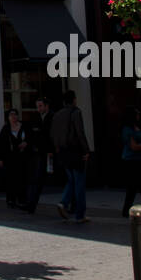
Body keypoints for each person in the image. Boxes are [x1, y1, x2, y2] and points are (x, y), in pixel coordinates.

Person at [52, 91, 91, 224]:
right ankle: (79, 214)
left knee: (72, 180)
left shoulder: (57, 115)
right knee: (79, 182)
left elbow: (54, 135)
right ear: (74, 100)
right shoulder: (76, 112)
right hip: (75, 151)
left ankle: (64, 202)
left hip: (63, 152)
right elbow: (80, 133)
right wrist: (86, 150)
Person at [121, 107, 141, 217]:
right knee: (139, 186)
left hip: (139, 159)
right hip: (132, 161)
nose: (139, 116)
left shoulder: (137, 127)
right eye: (137, 114)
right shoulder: (128, 129)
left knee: (135, 187)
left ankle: (127, 209)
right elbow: (133, 146)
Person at [28, 96, 54, 214]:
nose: (38, 109)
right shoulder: (36, 118)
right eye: (37, 106)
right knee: (37, 179)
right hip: (39, 152)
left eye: (40, 106)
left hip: (51, 151)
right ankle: (31, 204)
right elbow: (34, 134)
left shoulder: (52, 117)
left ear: (46, 106)